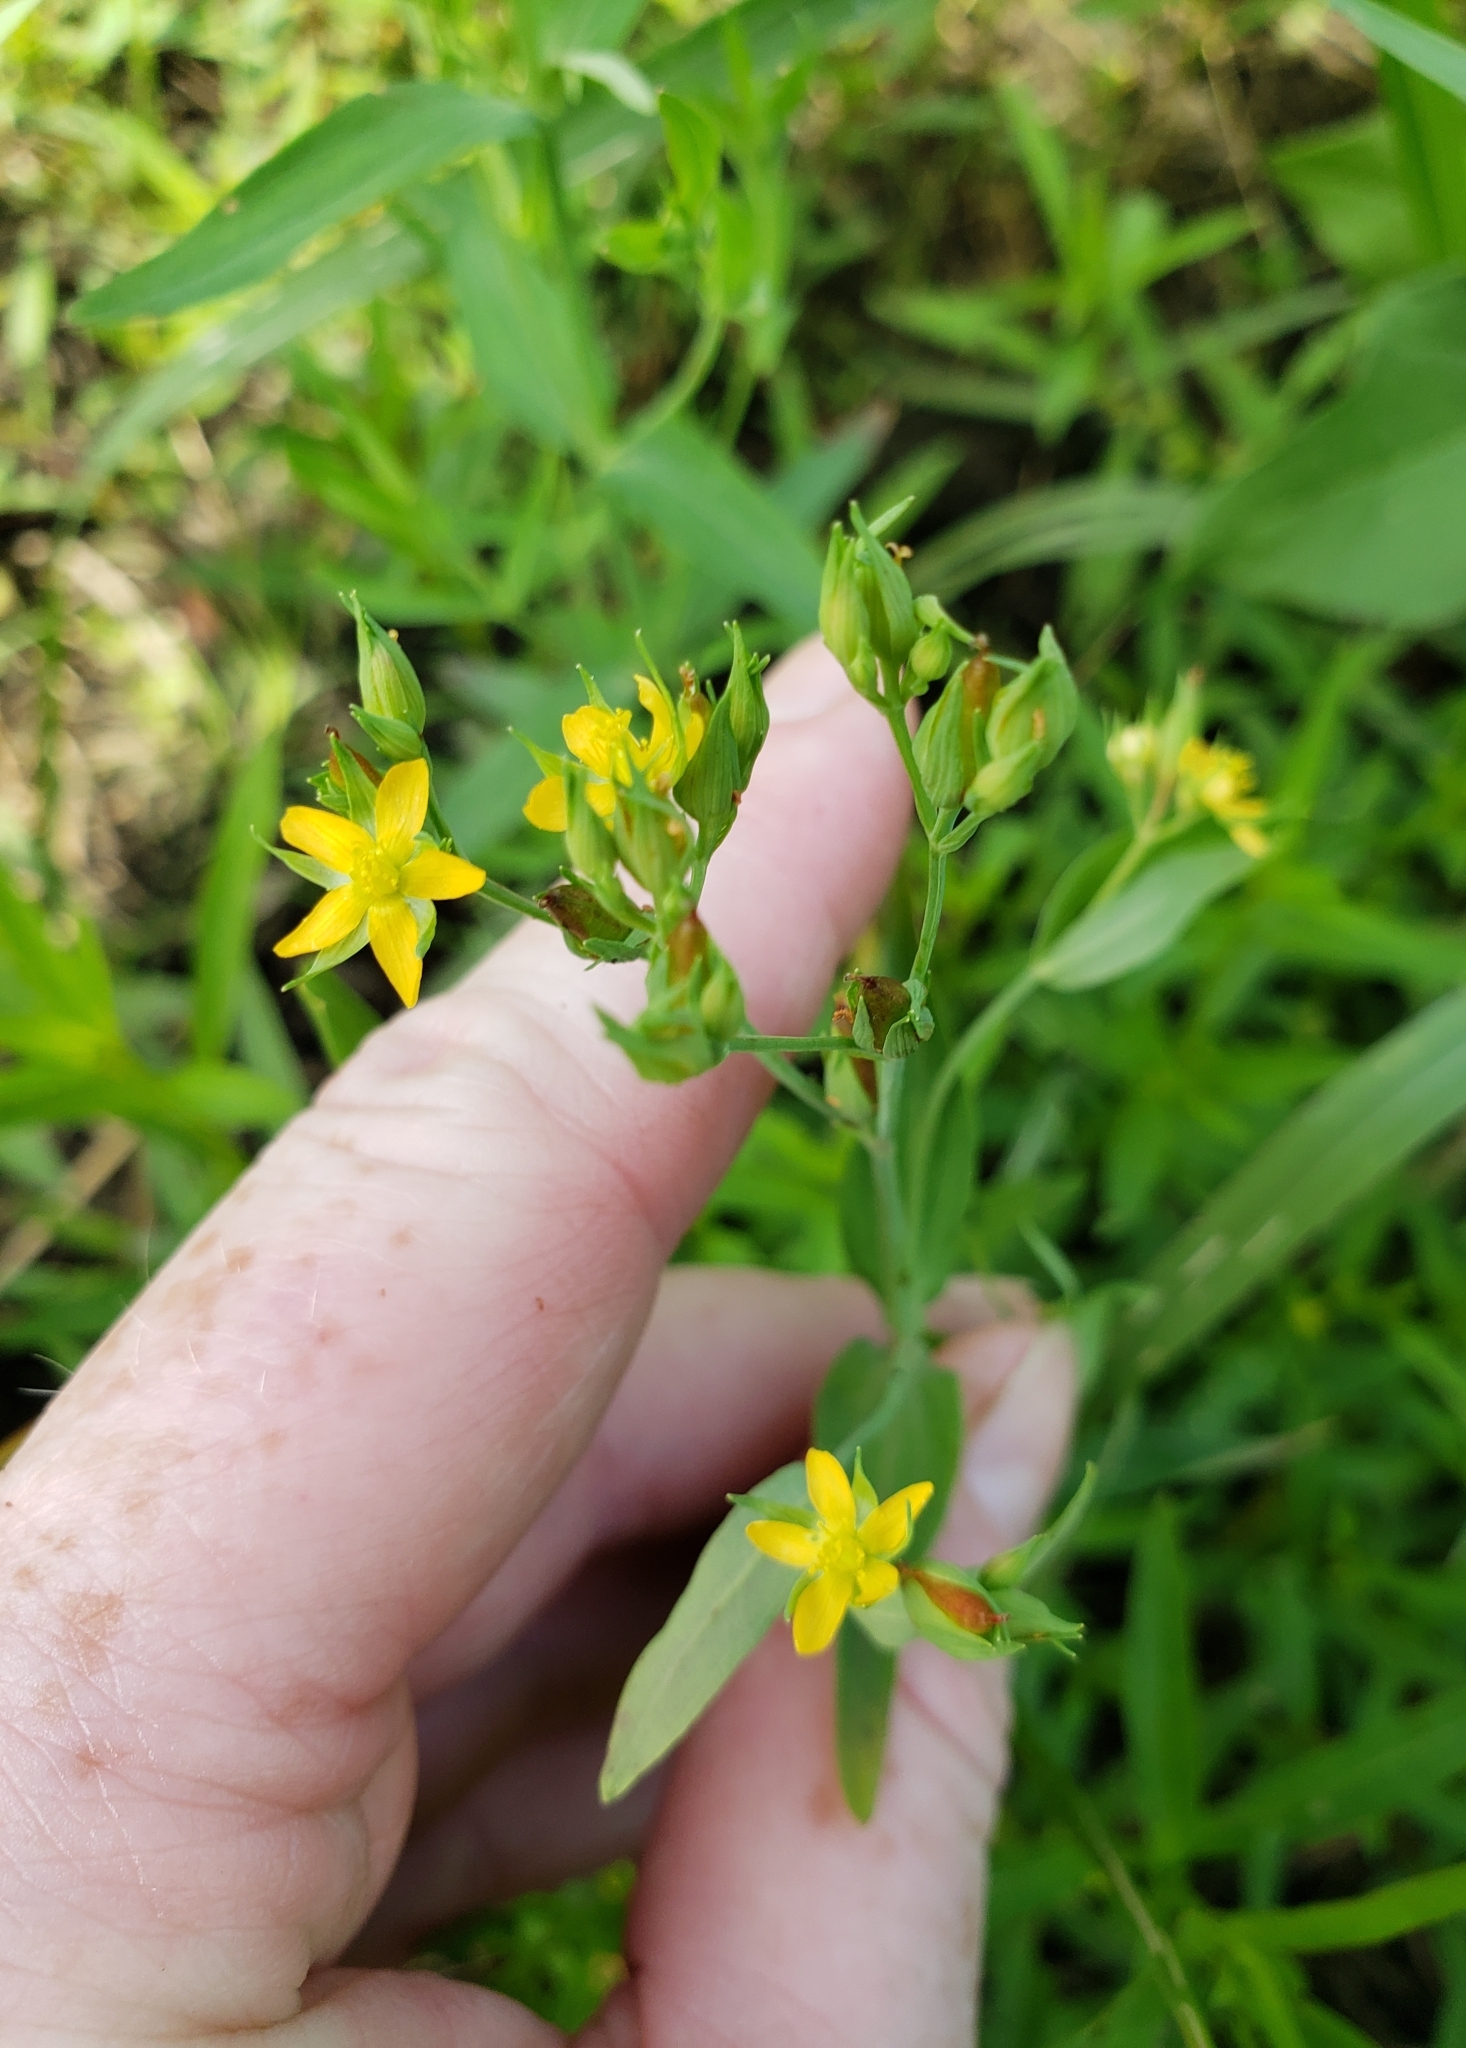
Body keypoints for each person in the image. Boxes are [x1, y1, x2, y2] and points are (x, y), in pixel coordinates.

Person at [0, 640, 1074, 2045]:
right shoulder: (413, 888)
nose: (366, 872)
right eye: (360, 870)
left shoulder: (434, 871)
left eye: (375, 857)